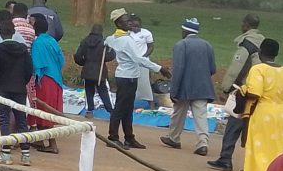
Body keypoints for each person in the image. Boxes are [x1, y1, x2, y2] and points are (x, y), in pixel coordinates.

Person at [241, 39, 283, 171]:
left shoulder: (258, 69)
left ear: (260, 52)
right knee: (280, 153)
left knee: (262, 154)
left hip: (264, 113)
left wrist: (243, 90)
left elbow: (255, 93)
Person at [212, 14, 268, 171]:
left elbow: (237, 67)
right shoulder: (263, 42)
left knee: (233, 125)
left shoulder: (247, 44)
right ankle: (251, 167)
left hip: (244, 90)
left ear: (246, 25)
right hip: (260, 91)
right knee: (252, 130)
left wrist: (227, 87)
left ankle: (225, 159)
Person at [163, 18, 219, 155]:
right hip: (202, 86)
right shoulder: (207, 45)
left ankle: (174, 138)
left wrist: (174, 90)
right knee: (201, 116)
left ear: (185, 30)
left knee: (178, 113)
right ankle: (203, 143)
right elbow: (212, 68)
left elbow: (178, 69)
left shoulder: (181, 45)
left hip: (184, 87)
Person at [106, 12, 162, 148]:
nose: (130, 23)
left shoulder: (114, 37)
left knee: (127, 108)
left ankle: (129, 137)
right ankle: (113, 137)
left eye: (130, 20)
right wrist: (159, 68)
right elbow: (139, 59)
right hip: (128, 78)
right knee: (121, 108)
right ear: (119, 24)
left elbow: (106, 43)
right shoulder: (126, 40)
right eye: (126, 21)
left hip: (125, 76)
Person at [0, 12, 34, 165]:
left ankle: (6, 153)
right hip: (20, 88)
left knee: (4, 119)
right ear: (14, 32)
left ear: (0, 32)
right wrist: (22, 82)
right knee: (21, 120)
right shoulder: (23, 49)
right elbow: (29, 69)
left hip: (3, 87)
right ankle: (25, 154)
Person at [27, 12, 65, 153]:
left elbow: (37, 64)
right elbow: (61, 60)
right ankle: (40, 141)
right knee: (48, 111)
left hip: (44, 80)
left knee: (43, 112)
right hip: (56, 79)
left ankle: (52, 144)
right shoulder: (52, 40)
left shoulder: (37, 43)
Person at [72, 24, 108, 119]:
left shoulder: (84, 41)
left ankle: (89, 111)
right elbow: (111, 55)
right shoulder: (104, 43)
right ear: (101, 32)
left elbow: (77, 56)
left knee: (89, 91)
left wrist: (84, 63)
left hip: (87, 70)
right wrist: (103, 60)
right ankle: (111, 111)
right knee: (104, 91)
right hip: (100, 71)